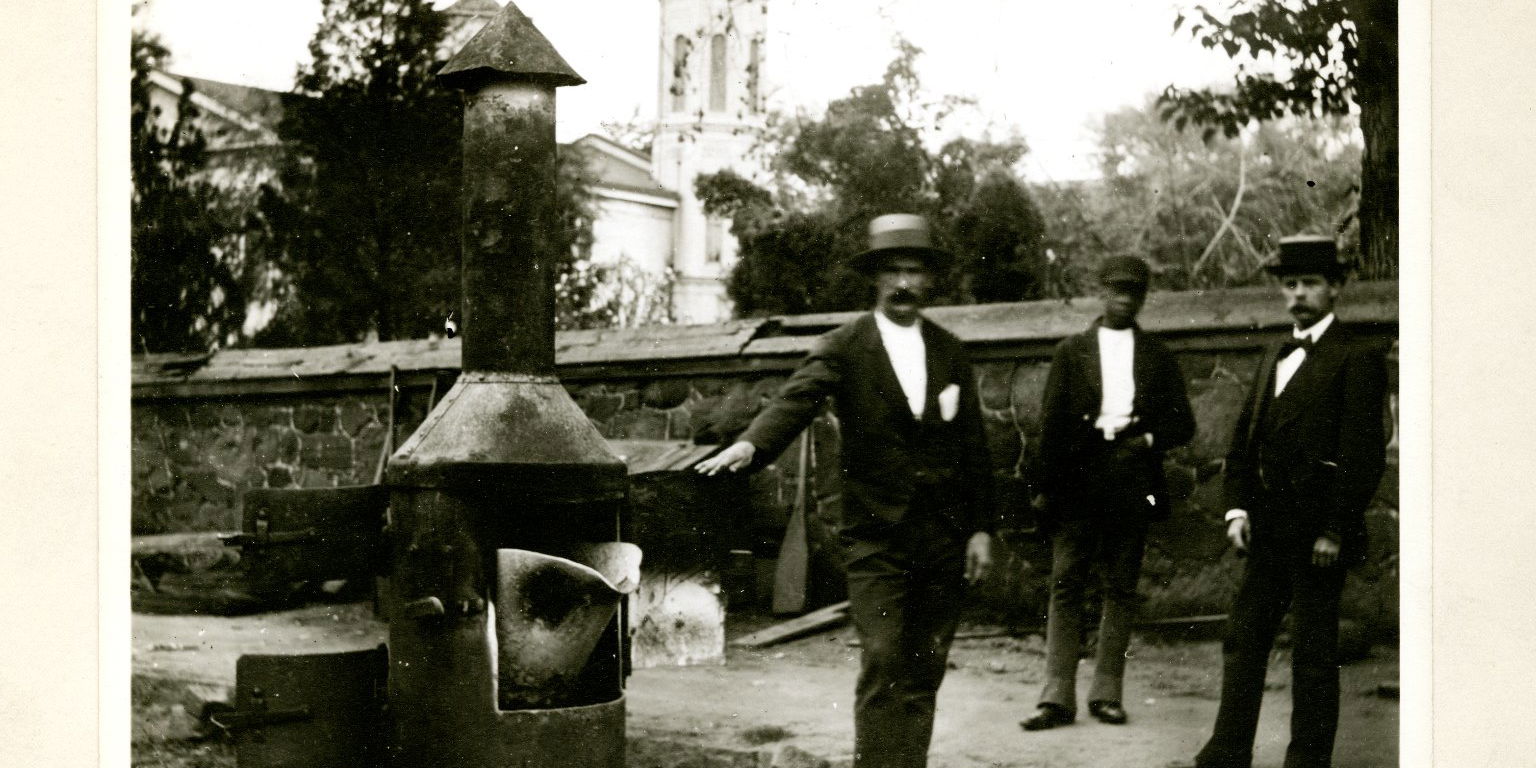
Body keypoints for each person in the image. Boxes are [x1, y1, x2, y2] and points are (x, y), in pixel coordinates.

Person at [696, 213, 996, 768]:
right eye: (892, 271)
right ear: (875, 279)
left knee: (926, 666)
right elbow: (796, 398)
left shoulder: (951, 351)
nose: (903, 283)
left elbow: (974, 448)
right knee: (883, 660)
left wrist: (980, 528)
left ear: (929, 280)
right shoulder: (844, 347)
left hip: (941, 538)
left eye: (914, 270)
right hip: (876, 538)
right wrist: (750, 446)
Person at [1174, 235, 1387, 768]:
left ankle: (1308, 759)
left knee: (1314, 655)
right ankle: (1228, 749)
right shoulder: (1274, 353)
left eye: (1311, 283)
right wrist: (1236, 508)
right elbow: (1244, 441)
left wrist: (1335, 529)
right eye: (1289, 284)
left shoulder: (1355, 357)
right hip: (1267, 529)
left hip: (1317, 536)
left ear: (1336, 288)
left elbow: (1362, 456)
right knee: (1243, 642)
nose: (1298, 295)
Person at [1020, 256, 1195, 732]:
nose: (1124, 298)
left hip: (1131, 479)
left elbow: (1183, 422)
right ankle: (1055, 697)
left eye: (1134, 291)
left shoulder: (1156, 355)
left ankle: (1107, 694)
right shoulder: (1072, 351)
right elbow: (1050, 426)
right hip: (1078, 479)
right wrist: (1043, 489)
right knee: (1066, 582)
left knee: (1120, 587)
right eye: (1116, 289)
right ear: (1100, 291)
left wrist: (1149, 441)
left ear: (1143, 297)